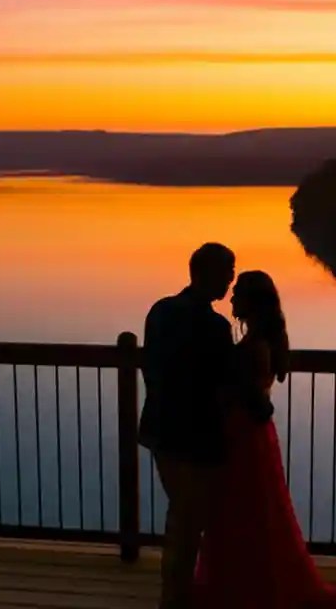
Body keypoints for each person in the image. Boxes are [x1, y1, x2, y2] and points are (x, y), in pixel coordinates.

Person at [194, 270, 336, 608]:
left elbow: (257, 400)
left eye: (238, 294)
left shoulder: (256, 346)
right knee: (250, 511)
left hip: (245, 435)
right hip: (249, 433)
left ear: (252, 301)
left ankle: (243, 587)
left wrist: (225, 397)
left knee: (244, 511)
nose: (232, 299)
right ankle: (244, 584)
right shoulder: (260, 341)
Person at [140, 242, 237, 609]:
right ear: (207, 273)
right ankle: (176, 600)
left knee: (179, 517)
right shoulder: (214, 326)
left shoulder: (160, 311)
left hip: (160, 431)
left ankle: (175, 595)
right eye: (227, 271)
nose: (230, 279)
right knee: (187, 523)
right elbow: (222, 385)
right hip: (195, 438)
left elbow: (151, 368)